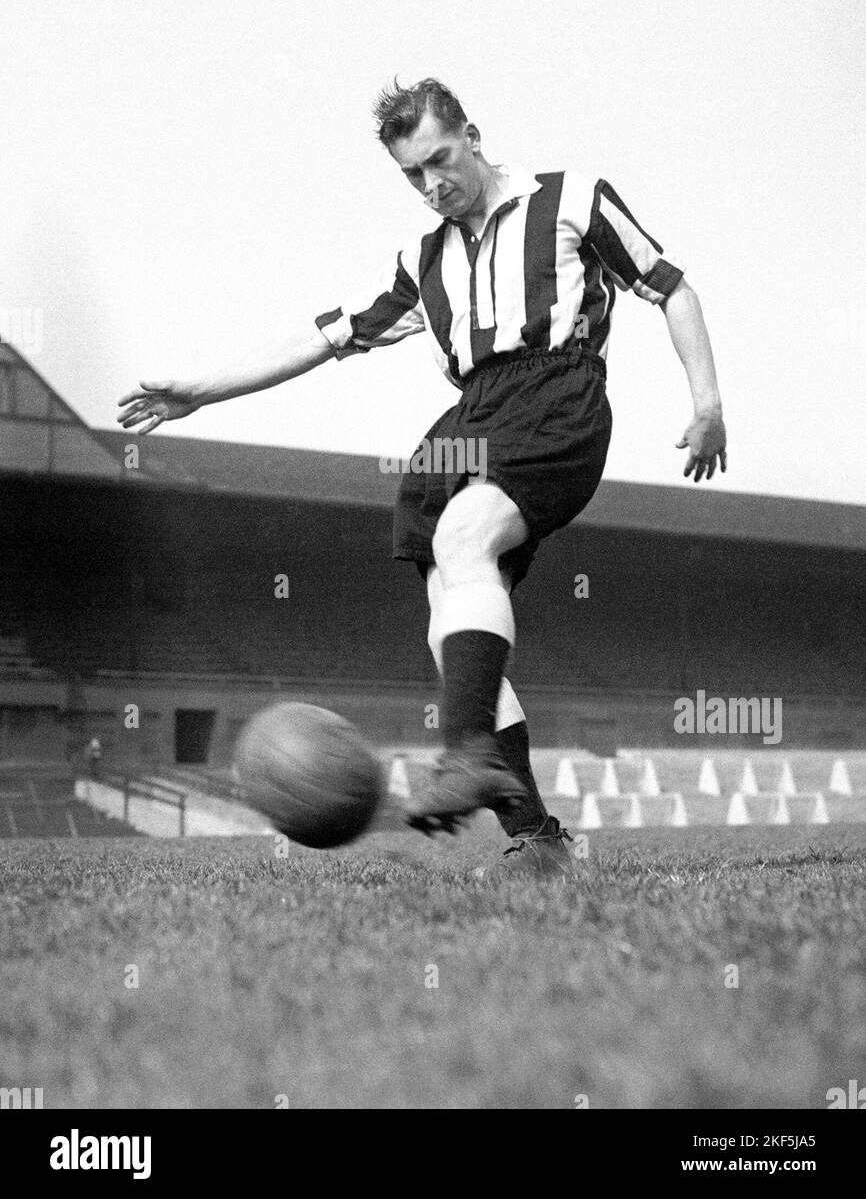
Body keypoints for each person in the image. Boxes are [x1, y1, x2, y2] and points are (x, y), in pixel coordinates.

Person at [117, 77, 727, 880]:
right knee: (449, 614)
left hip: (559, 392)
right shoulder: (422, 261)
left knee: (467, 536)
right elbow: (322, 336)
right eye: (413, 175)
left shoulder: (570, 198)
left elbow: (670, 286)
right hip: (471, 415)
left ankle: (466, 753)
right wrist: (201, 390)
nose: (432, 184)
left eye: (440, 160)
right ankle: (536, 838)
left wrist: (708, 402)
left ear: (471, 134)